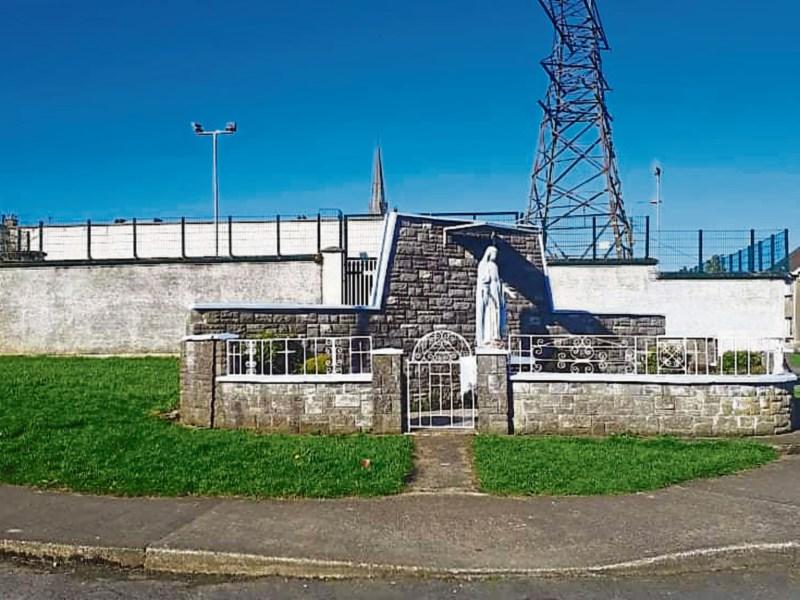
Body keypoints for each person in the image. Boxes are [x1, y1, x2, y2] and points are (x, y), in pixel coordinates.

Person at [475, 246, 505, 347]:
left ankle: (496, 336)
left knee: (497, 315)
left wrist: (506, 291)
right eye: (493, 253)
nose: (495, 256)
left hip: (496, 292)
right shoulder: (485, 265)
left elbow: (498, 282)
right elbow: (484, 279)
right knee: (489, 313)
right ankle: (488, 337)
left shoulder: (495, 266)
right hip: (490, 293)